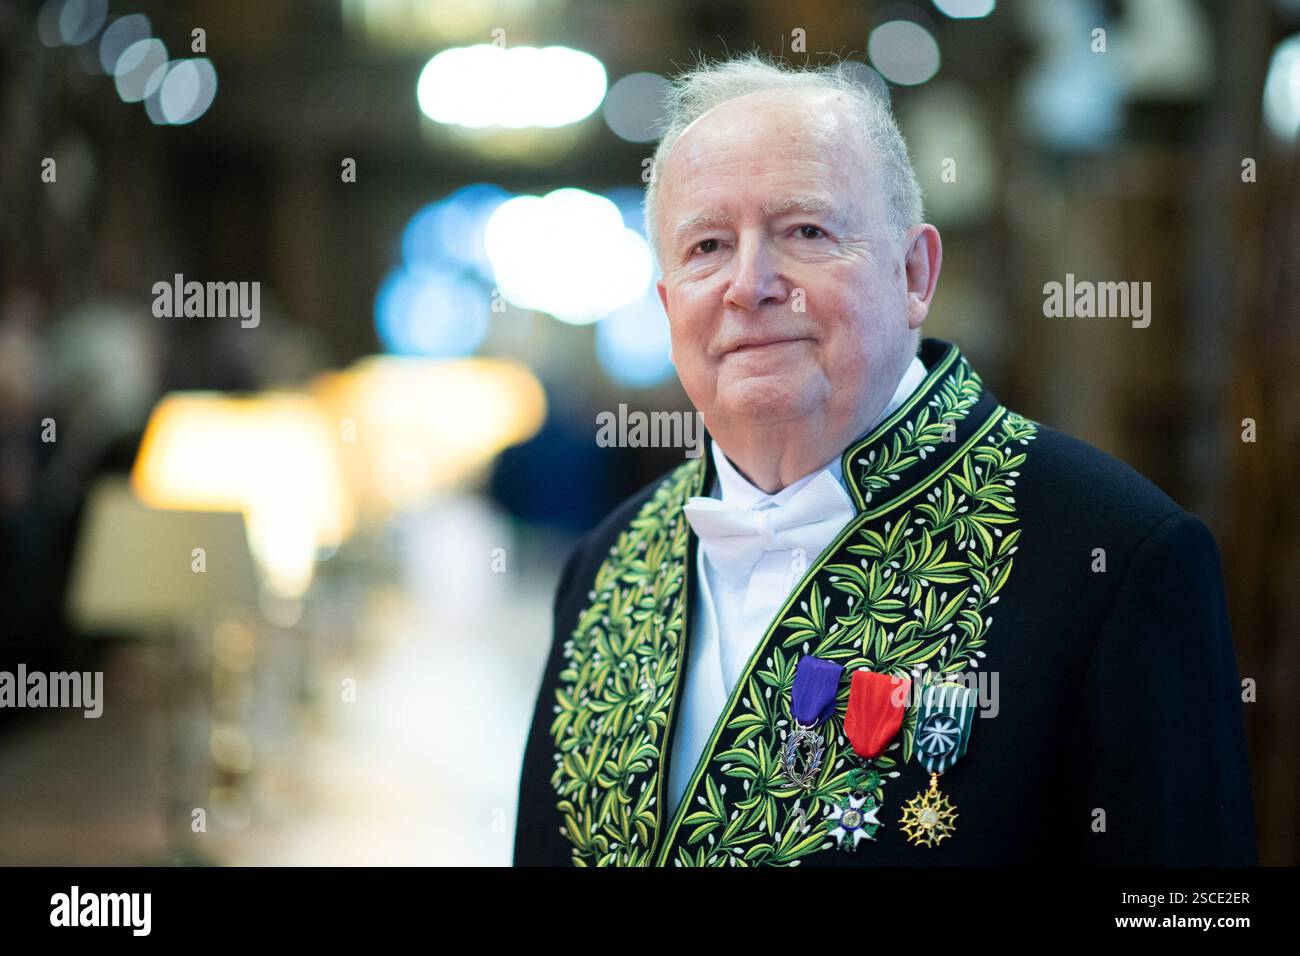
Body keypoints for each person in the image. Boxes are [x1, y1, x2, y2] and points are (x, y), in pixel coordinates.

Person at [513, 55, 1256, 866]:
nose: (750, 284)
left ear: (914, 273)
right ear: (668, 305)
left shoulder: (1115, 555)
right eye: (707, 247)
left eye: (805, 231)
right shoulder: (604, 566)